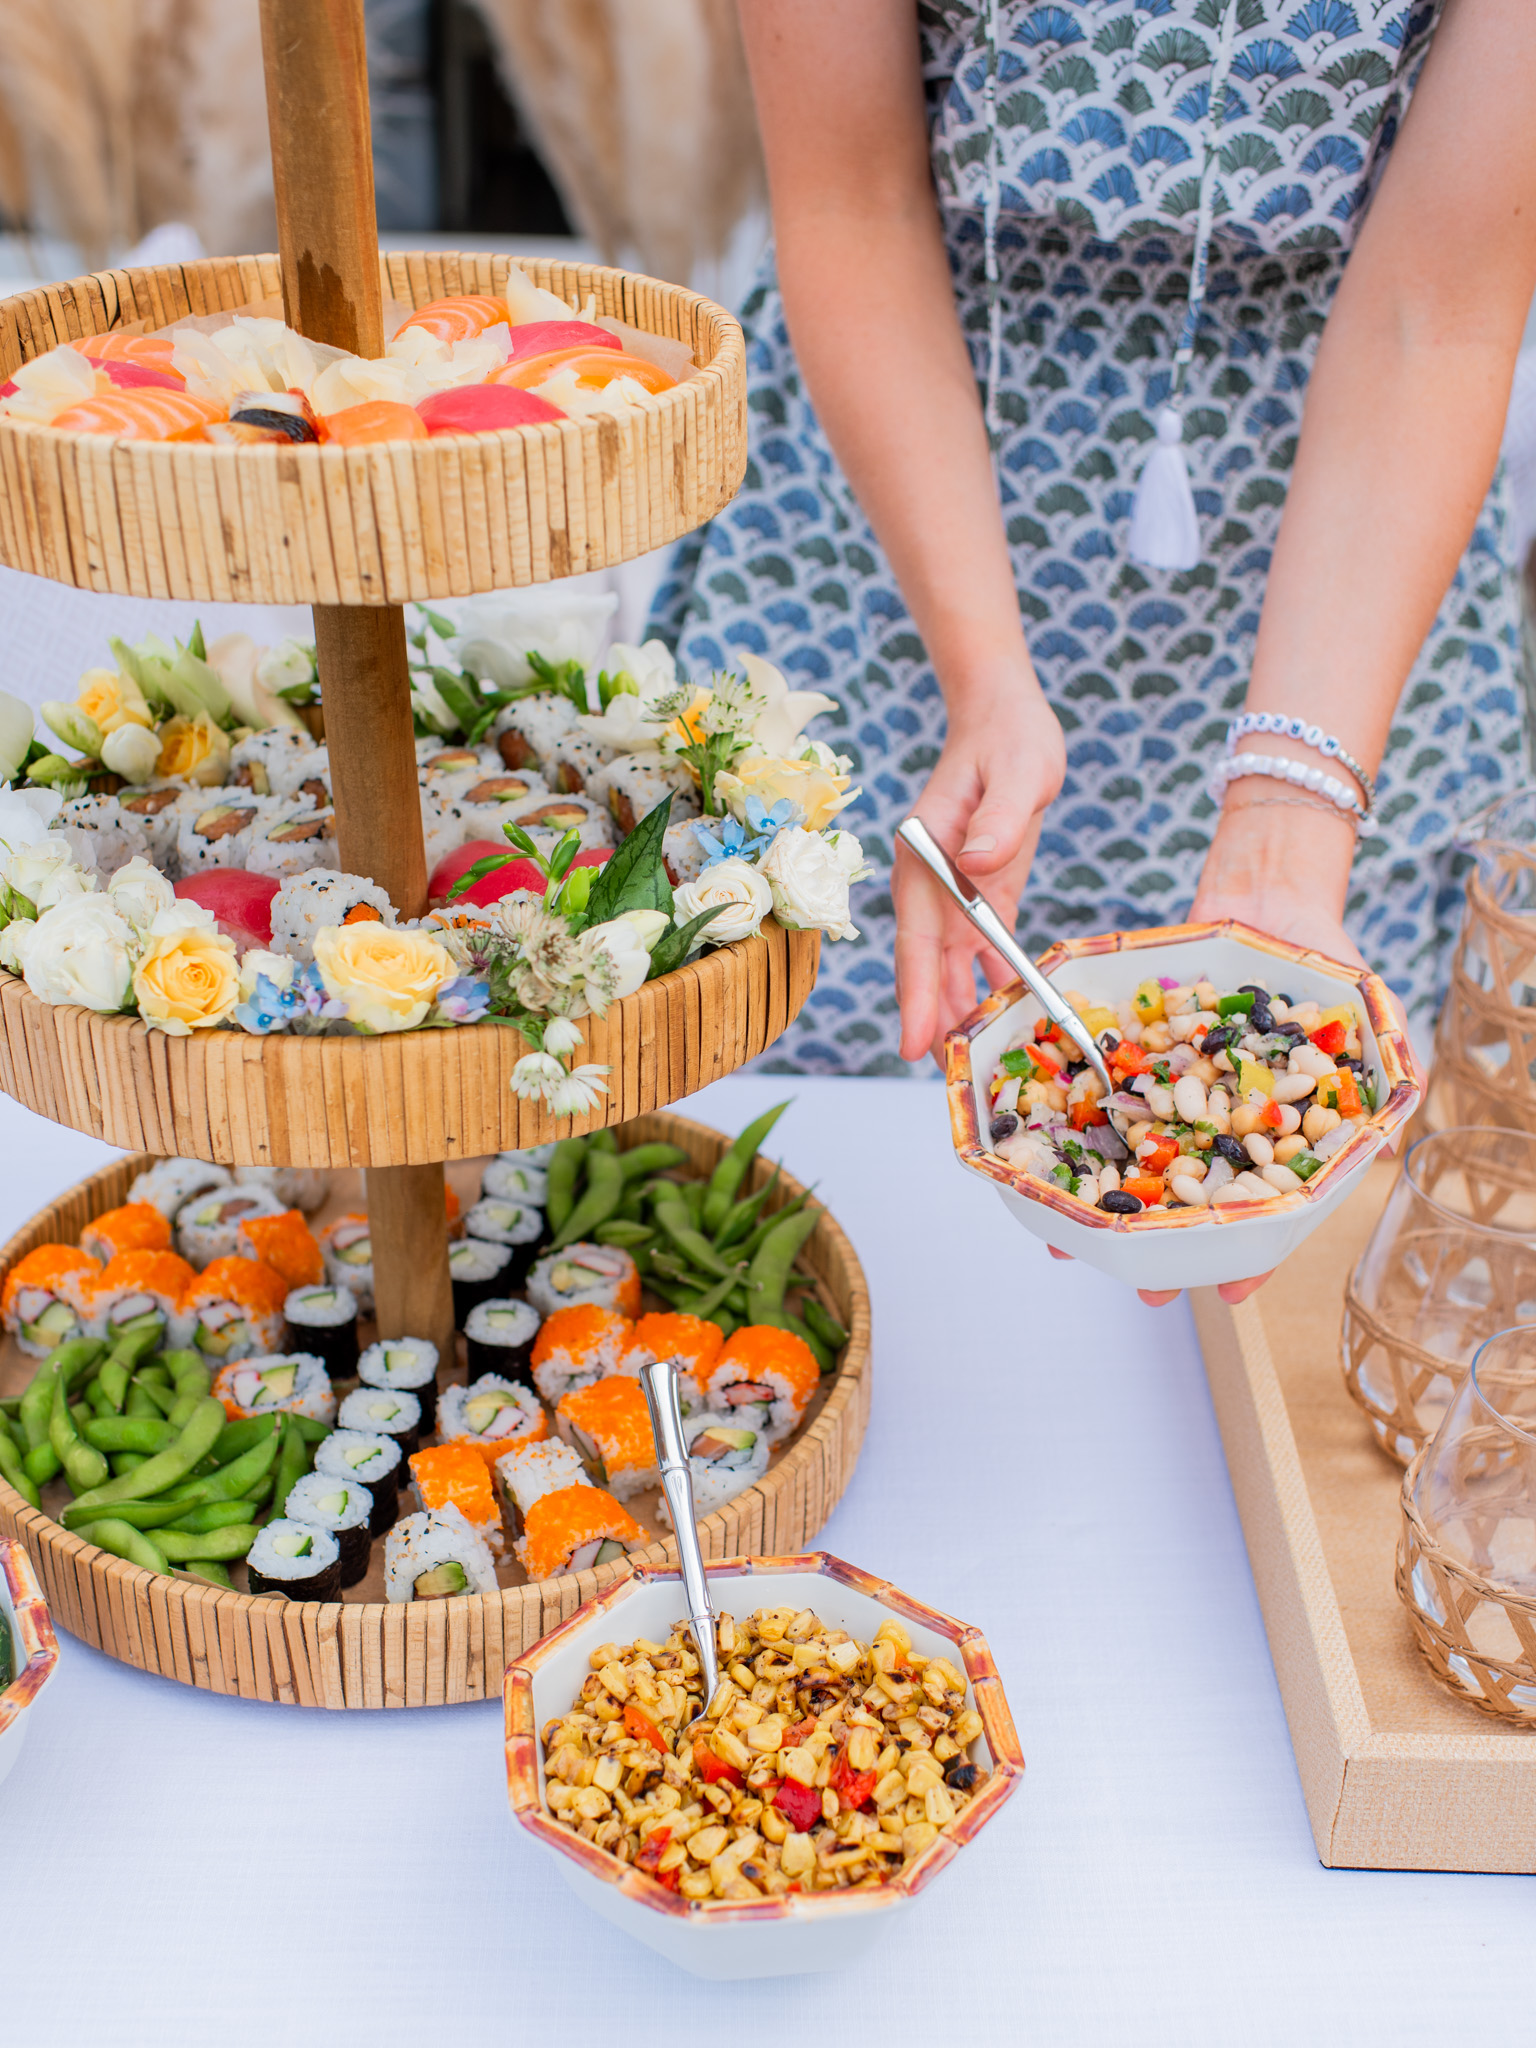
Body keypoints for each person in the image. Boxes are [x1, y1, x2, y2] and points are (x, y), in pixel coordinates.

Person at [649, 0, 1536, 1085]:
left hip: (1342, 563)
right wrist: (983, 680)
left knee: (1284, 1083)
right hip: (899, 500)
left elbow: (1436, 312)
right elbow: (853, 202)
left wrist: (1289, 817)